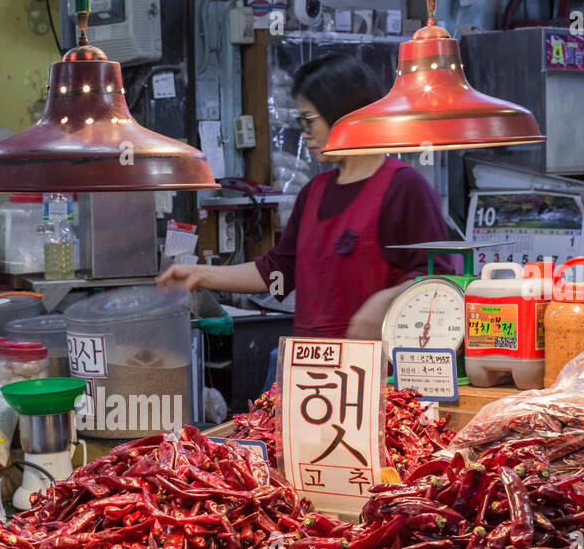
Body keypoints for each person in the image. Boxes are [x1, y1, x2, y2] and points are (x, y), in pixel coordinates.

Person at [157, 53, 453, 343]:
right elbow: (278, 272)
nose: (305, 135)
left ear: (343, 114)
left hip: (381, 377)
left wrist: (386, 301)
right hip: (313, 373)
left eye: (310, 121)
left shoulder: (403, 188)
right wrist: (199, 274)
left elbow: (440, 279)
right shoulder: (314, 193)